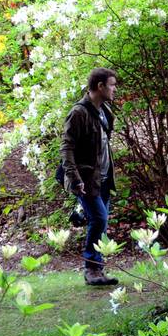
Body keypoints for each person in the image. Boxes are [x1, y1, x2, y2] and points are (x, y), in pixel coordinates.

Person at [60, 67, 120, 287]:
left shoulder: (104, 111)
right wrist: (74, 178)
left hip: (102, 178)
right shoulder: (79, 113)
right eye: (112, 85)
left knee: (100, 223)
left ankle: (98, 268)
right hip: (85, 181)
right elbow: (66, 148)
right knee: (99, 219)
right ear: (100, 86)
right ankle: (91, 268)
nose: (114, 89)